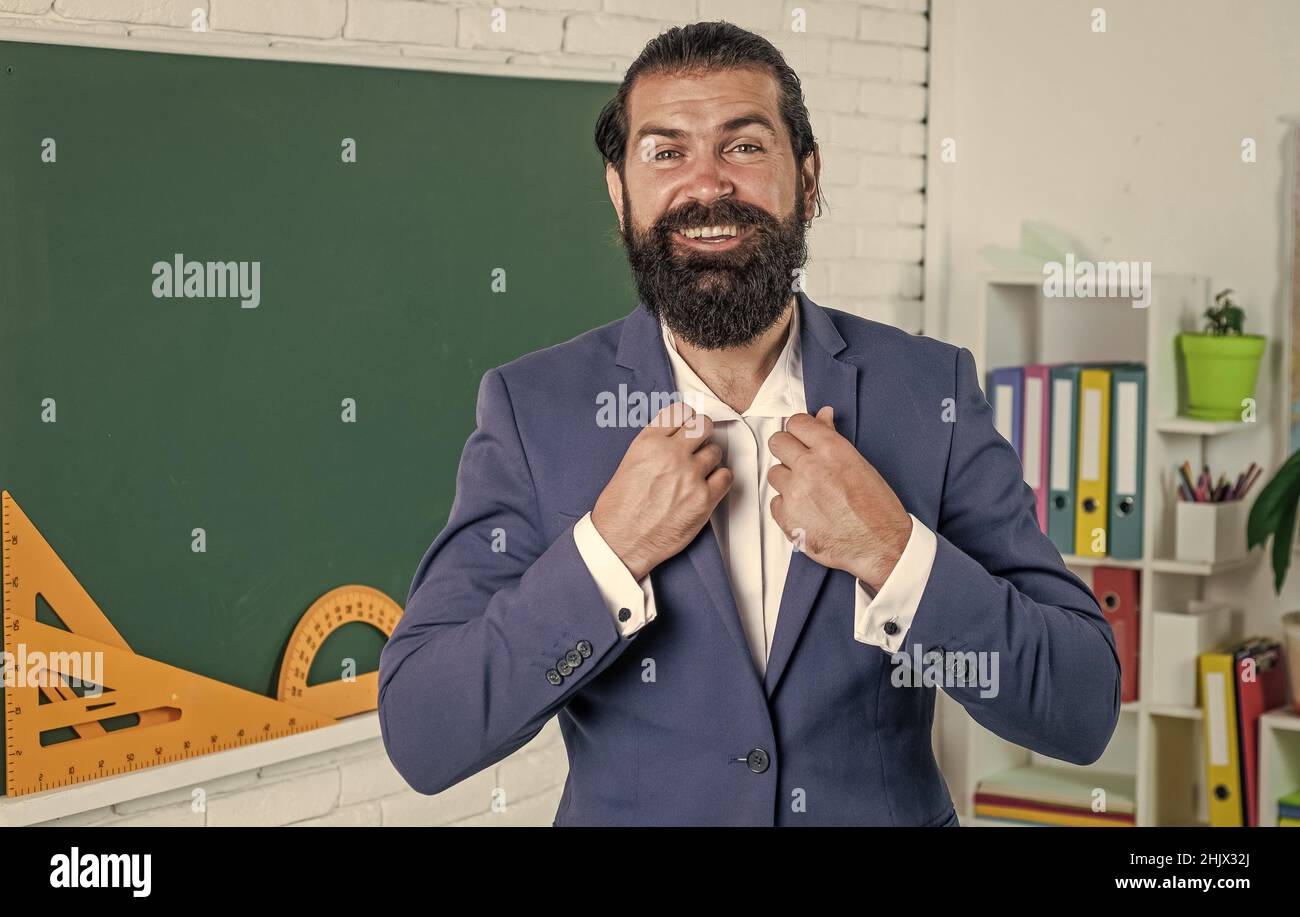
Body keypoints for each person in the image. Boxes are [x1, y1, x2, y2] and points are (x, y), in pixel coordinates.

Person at [378, 20, 1120, 826]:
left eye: (744, 147)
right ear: (620, 191)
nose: (707, 186)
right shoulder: (532, 410)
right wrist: (608, 549)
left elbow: (1080, 706)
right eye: (666, 152)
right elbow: (425, 731)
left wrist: (893, 551)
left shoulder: (928, 389)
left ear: (807, 177)